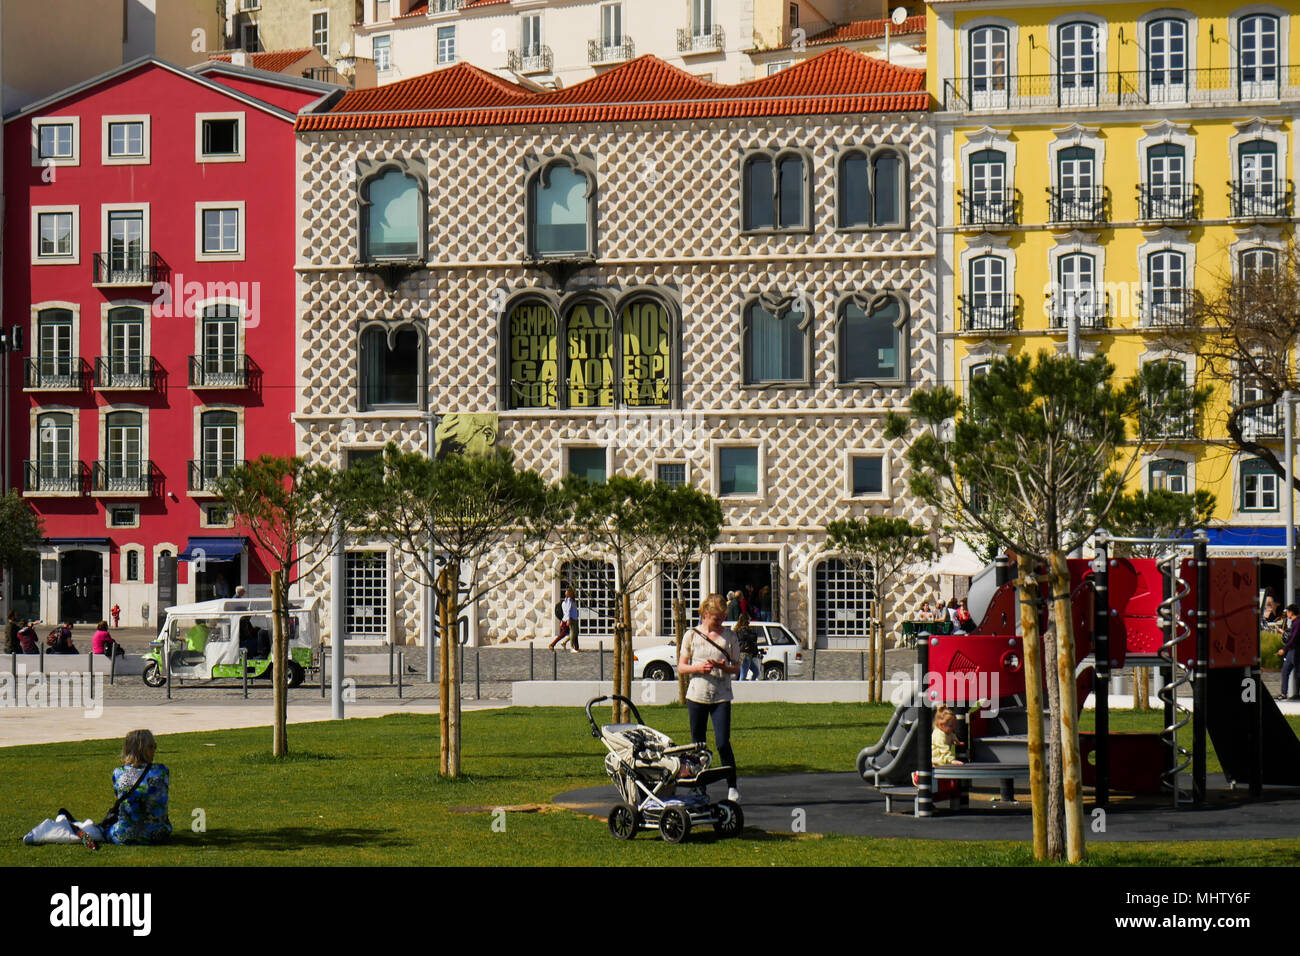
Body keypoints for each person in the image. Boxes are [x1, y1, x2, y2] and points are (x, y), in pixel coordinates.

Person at [679, 593, 742, 803]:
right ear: (705, 615)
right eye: (716, 618)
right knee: (698, 745)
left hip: (721, 696)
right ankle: (699, 787)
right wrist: (698, 668)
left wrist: (724, 667)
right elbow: (681, 667)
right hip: (697, 695)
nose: (720, 622)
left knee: (723, 742)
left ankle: (732, 786)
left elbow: (737, 668)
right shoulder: (691, 636)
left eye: (723, 618)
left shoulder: (730, 637)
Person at [108, 730, 171, 845]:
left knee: (105, 828)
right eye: (153, 746)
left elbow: (119, 795)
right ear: (146, 750)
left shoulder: (118, 773)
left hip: (125, 835)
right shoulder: (162, 770)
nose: (155, 750)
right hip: (159, 835)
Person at [1278, 604, 1300, 701]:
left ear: (1291, 612)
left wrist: (1284, 649)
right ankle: (1283, 693)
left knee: (1298, 672)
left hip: (1296, 651)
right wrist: (1284, 632)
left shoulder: (1297, 622)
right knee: (1285, 670)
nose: (1287, 614)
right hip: (1292, 651)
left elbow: (1293, 638)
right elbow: (1291, 635)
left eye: (1287, 612)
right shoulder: (1294, 623)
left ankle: (1292, 694)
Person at [735, 613, 761, 681]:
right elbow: (750, 638)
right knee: (743, 675)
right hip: (745, 654)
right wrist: (754, 635)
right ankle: (741, 688)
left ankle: (749, 685)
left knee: (756, 672)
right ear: (746, 620)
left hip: (746, 654)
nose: (750, 620)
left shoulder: (738, 629)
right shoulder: (743, 630)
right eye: (749, 619)